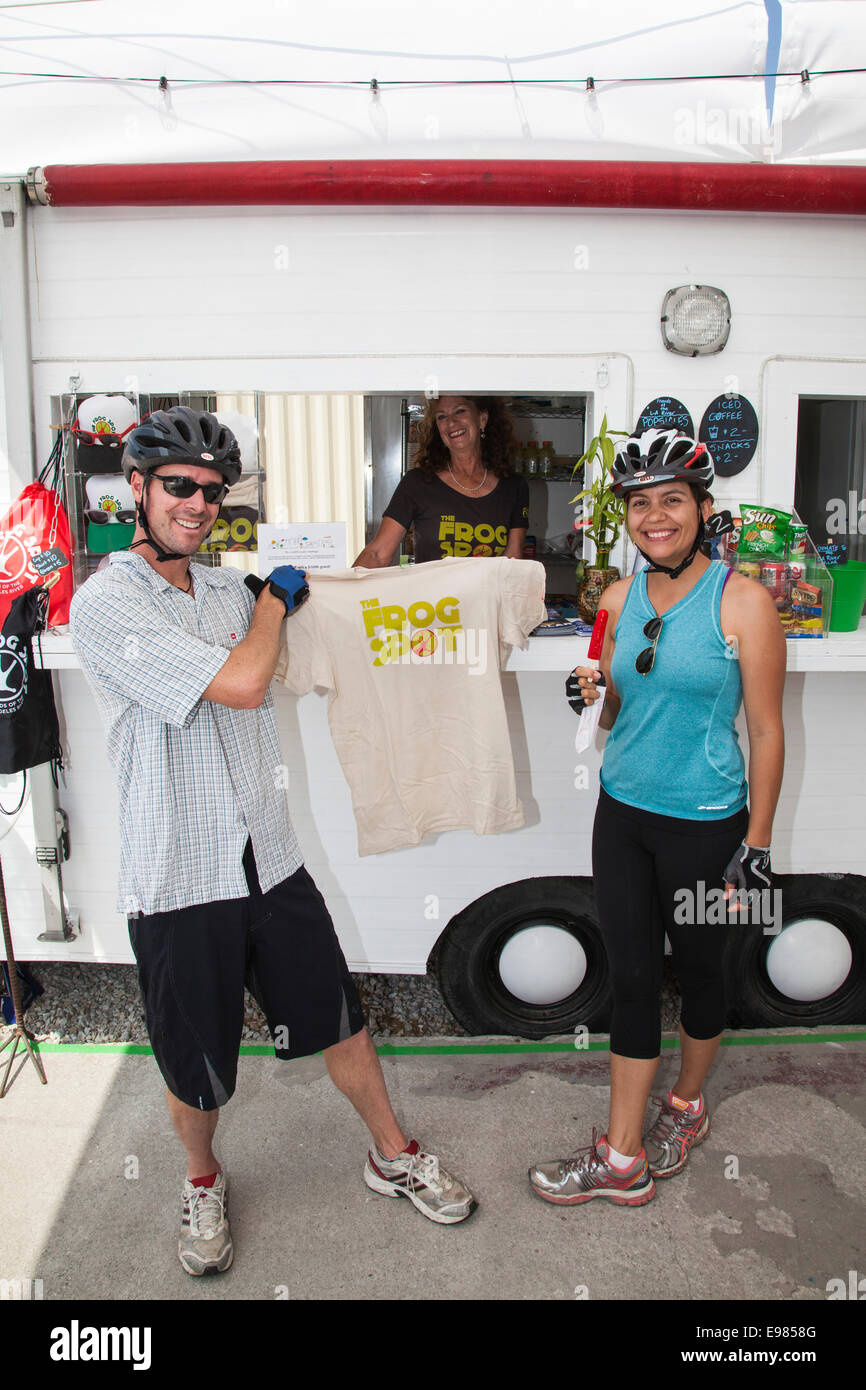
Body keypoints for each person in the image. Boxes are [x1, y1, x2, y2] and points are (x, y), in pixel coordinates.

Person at [69, 406, 476, 1276]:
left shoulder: (223, 590)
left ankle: (392, 1153)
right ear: (136, 490)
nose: (198, 504)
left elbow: (328, 635)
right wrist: (274, 604)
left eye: (214, 492)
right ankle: (204, 1179)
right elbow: (247, 682)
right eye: (179, 486)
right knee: (197, 1060)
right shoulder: (103, 601)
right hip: (179, 871)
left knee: (338, 1015)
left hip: (269, 856)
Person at [529, 429, 786, 1206]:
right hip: (624, 813)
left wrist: (759, 848)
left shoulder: (745, 603)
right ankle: (622, 1157)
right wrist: (589, 699)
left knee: (704, 974)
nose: (656, 517)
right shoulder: (615, 599)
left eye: (672, 500)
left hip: (708, 823)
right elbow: (610, 715)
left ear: (703, 508)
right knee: (633, 979)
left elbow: (770, 731)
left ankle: (687, 1105)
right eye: (641, 503)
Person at [354, 395, 528, 566]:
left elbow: (514, 560)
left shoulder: (513, 487)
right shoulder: (418, 483)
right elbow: (377, 554)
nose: (451, 422)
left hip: (488, 596)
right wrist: (341, 590)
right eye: (442, 416)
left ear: (482, 419)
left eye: (460, 411)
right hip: (433, 596)